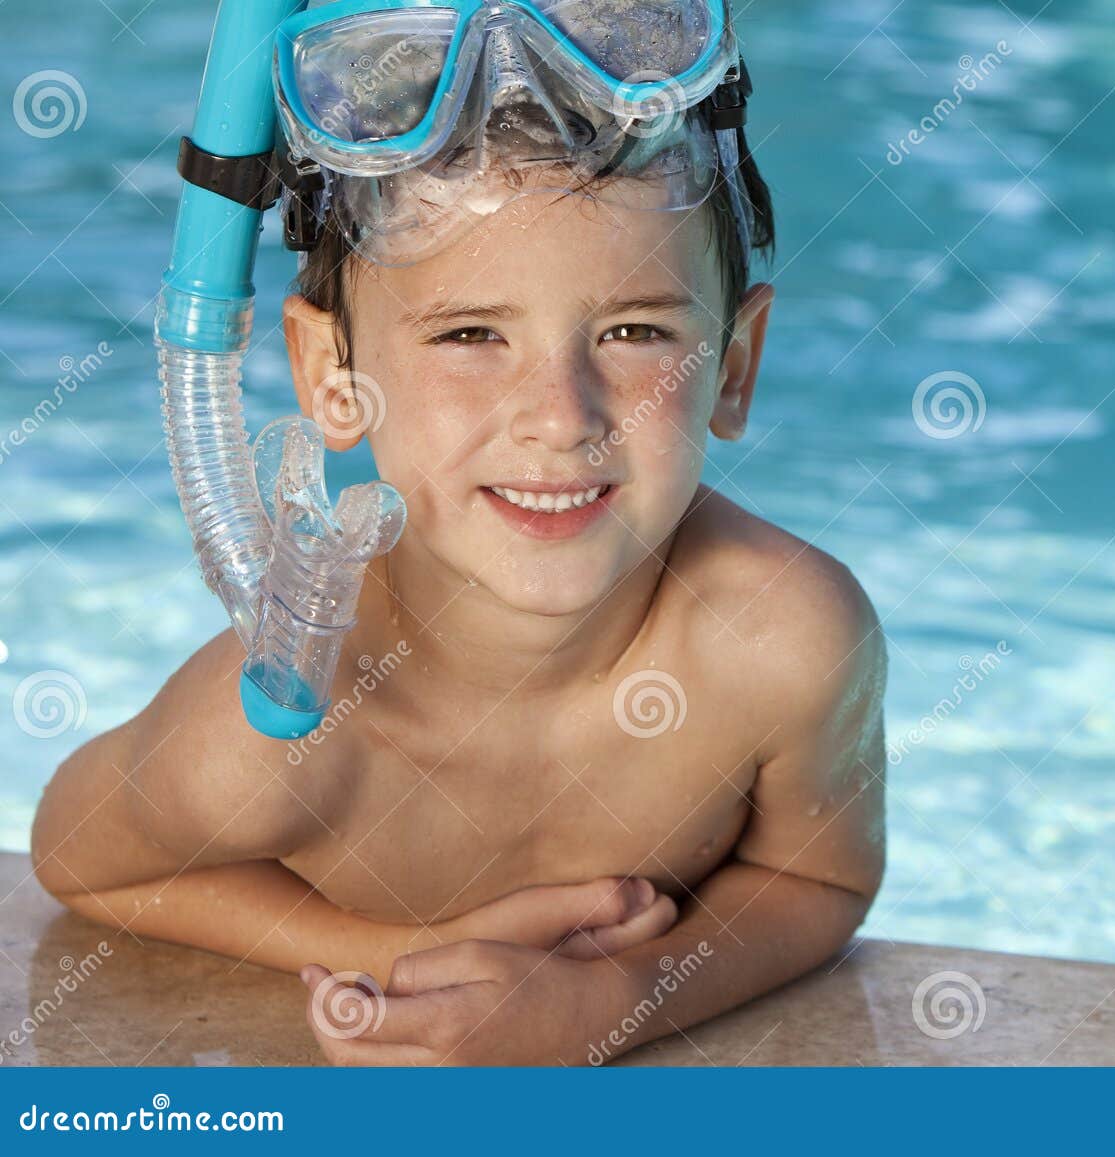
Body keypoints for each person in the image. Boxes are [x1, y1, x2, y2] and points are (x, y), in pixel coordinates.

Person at [30, 1, 885, 1066]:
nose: (560, 415)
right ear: (331, 378)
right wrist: (399, 949)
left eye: (633, 331)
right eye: (471, 333)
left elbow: (819, 877)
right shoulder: (295, 718)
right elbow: (84, 858)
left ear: (736, 363)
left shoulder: (784, 638)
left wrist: (613, 998)